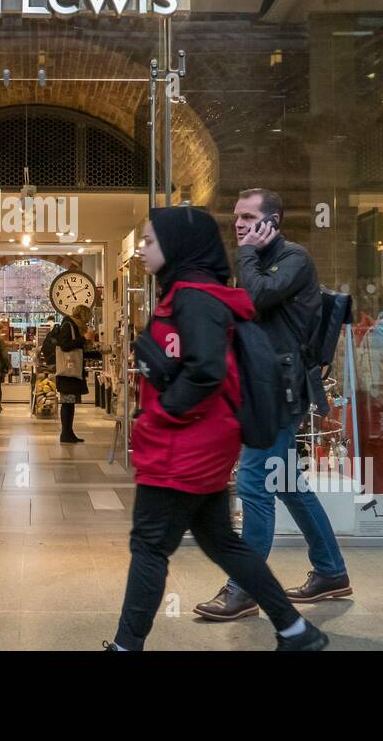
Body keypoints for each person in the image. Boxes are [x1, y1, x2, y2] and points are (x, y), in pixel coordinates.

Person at [107, 205, 326, 651]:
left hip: (181, 449)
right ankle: (295, 629)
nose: (145, 249)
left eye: (151, 241)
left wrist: (162, 413)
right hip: (198, 445)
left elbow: (206, 369)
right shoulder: (192, 294)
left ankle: (126, 647)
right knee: (222, 541)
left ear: (178, 246)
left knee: (149, 546)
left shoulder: (193, 297)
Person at [194, 188, 351, 622]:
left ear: (272, 222)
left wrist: (244, 254)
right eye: (236, 219)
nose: (239, 224)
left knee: (252, 486)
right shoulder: (257, 262)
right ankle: (332, 572)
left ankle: (244, 588)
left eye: (248, 217)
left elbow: (257, 298)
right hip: (260, 386)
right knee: (287, 485)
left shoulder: (293, 259)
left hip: (278, 392)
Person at [55, 303, 91, 444]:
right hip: (67, 372)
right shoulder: (68, 325)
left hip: (71, 372)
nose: (87, 322)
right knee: (67, 403)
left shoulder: (72, 325)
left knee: (70, 403)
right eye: (87, 318)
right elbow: (65, 345)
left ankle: (69, 433)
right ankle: (65, 434)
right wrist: (83, 339)